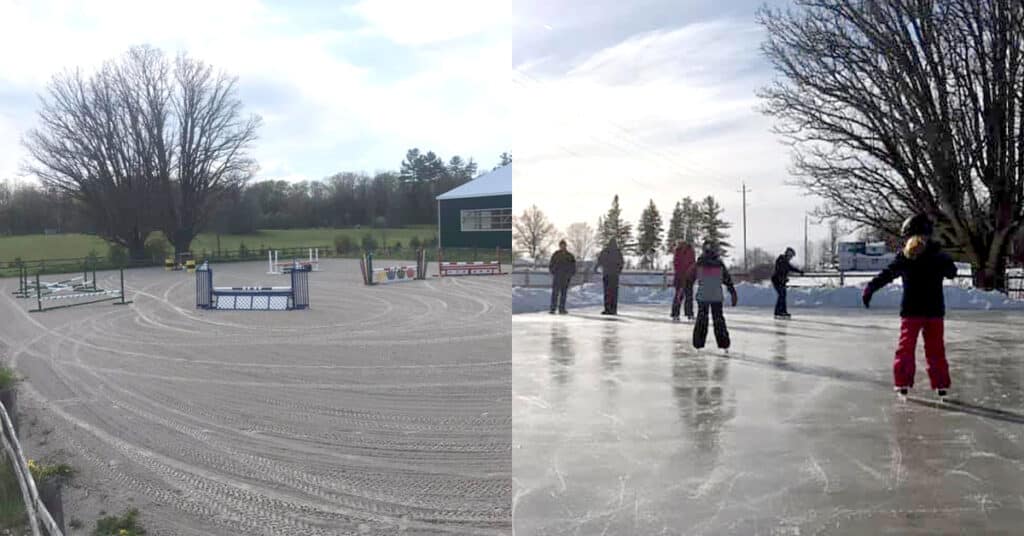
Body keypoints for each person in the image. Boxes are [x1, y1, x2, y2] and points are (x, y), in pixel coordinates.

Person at [862, 213, 958, 399]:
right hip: (930, 311)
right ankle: (937, 385)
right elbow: (952, 273)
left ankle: (908, 383)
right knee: (931, 348)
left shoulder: (912, 256)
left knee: (912, 347)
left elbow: (888, 274)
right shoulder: (928, 255)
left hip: (916, 311)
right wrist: (943, 261)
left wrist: (871, 288)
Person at [687, 241, 738, 350]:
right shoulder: (719, 264)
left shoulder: (699, 263)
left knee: (702, 319)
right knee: (718, 319)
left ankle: (698, 344)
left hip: (703, 295)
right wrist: (733, 292)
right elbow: (727, 279)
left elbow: (689, 278)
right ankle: (724, 344)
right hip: (716, 295)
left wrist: (687, 291)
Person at [772, 247, 805, 319]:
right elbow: (779, 270)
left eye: (792, 256)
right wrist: (782, 279)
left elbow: (791, 268)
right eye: (790, 256)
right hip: (777, 280)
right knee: (781, 295)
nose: (791, 258)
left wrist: (800, 271)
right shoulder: (781, 260)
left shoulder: (786, 261)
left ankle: (783, 311)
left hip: (781, 281)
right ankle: (778, 312)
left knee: (783, 295)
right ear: (787, 254)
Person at [595, 239, 625, 315]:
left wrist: (596, 268)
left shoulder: (606, 251)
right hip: (613, 275)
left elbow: (599, 260)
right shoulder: (617, 252)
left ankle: (608, 308)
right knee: (613, 293)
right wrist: (619, 271)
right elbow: (621, 263)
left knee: (607, 292)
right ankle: (613, 309)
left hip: (607, 274)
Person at [671, 239, 696, 321]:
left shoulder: (691, 251)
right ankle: (675, 314)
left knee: (689, 297)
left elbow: (693, 263)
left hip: (689, 278)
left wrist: (692, 274)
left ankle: (689, 313)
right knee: (678, 296)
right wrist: (681, 275)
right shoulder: (677, 252)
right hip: (679, 278)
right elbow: (676, 264)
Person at [548, 240, 576, 314]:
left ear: (565, 246)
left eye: (563, 245)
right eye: (561, 245)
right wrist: (553, 271)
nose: (562, 246)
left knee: (563, 293)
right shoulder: (556, 254)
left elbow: (573, 266)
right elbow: (551, 264)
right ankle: (553, 308)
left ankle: (562, 308)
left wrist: (570, 274)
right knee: (555, 293)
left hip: (565, 277)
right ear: (559, 246)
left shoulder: (569, 256)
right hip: (557, 276)